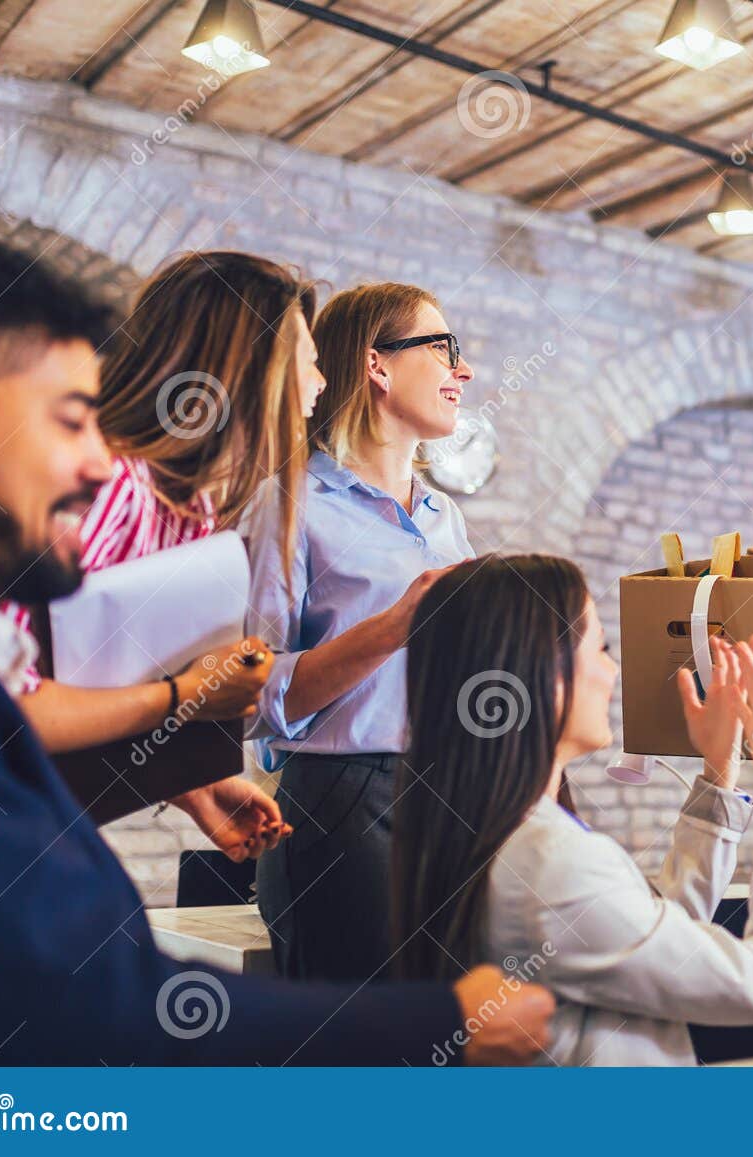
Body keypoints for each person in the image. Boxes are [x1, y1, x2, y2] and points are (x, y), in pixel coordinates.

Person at [0, 232, 552, 1064]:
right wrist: (188, 699)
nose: (94, 459)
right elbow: (89, 996)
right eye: (72, 420)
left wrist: (192, 777)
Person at [389, 554, 753, 1066]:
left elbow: (651, 941)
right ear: (542, 673)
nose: (612, 669)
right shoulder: (550, 864)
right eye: (599, 647)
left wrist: (718, 772)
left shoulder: (499, 835)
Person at [5, 250, 327, 862]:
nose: (320, 386)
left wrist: (191, 786)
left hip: (39, 828)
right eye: (308, 366)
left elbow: (96, 682)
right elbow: (2, 707)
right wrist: (185, 695)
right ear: (253, 372)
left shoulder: (195, 513)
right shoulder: (102, 487)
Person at [246, 282, 474, 982]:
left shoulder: (445, 518)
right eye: (444, 349)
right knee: (365, 1059)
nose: (462, 372)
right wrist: (392, 627)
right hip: (342, 806)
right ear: (378, 364)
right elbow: (250, 692)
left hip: (452, 796)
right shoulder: (289, 503)